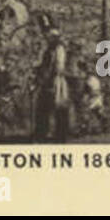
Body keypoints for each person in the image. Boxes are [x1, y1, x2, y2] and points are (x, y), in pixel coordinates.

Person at [33, 13, 70, 143]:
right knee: (44, 108)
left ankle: (59, 136)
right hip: (49, 80)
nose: (45, 36)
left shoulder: (58, 48)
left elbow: (58, 67)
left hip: (55, 81)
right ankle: (42, 133)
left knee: (57, 107)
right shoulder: (50, 48)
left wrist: (46, 76)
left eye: (47, 34)